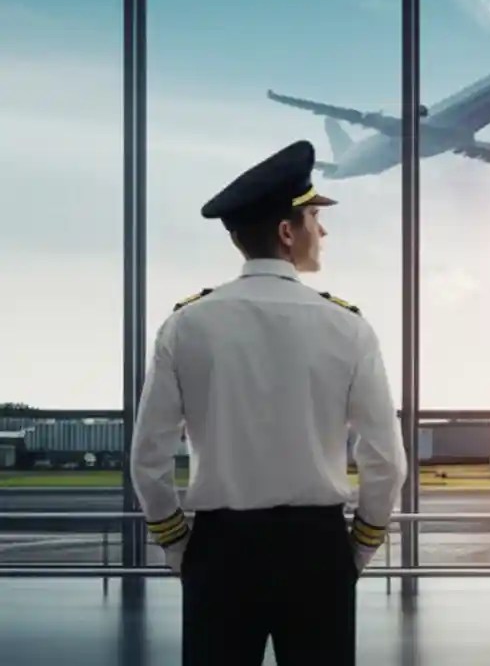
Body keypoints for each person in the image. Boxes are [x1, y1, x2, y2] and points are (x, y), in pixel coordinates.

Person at [129, 140, 408, 666]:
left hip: (220, 550)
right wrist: (358, 549)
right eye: (313, 218)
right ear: (287, 233)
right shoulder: (347, 327)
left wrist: (178, 546)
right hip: (316, 551)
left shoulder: (186, 325)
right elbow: (387, 461)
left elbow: (148, 459)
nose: (322, 231)